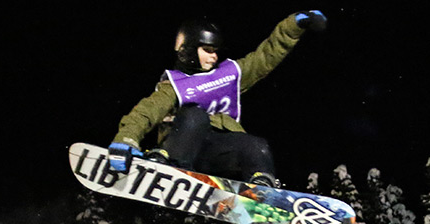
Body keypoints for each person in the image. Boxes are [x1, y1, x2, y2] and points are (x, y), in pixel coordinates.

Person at [108, 11, 327, 187]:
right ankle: (170, 165)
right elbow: (145, 112)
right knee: (195, 116)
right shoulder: (175, 86)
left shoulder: (227, 75)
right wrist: (126, 139)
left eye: (216, 51)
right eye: (208, 50)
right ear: (189, 50)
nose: (214, 56)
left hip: (215, 154)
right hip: (182, 147)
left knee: (255, 145)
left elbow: (265, 57)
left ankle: (260, 187)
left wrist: (293, 27)